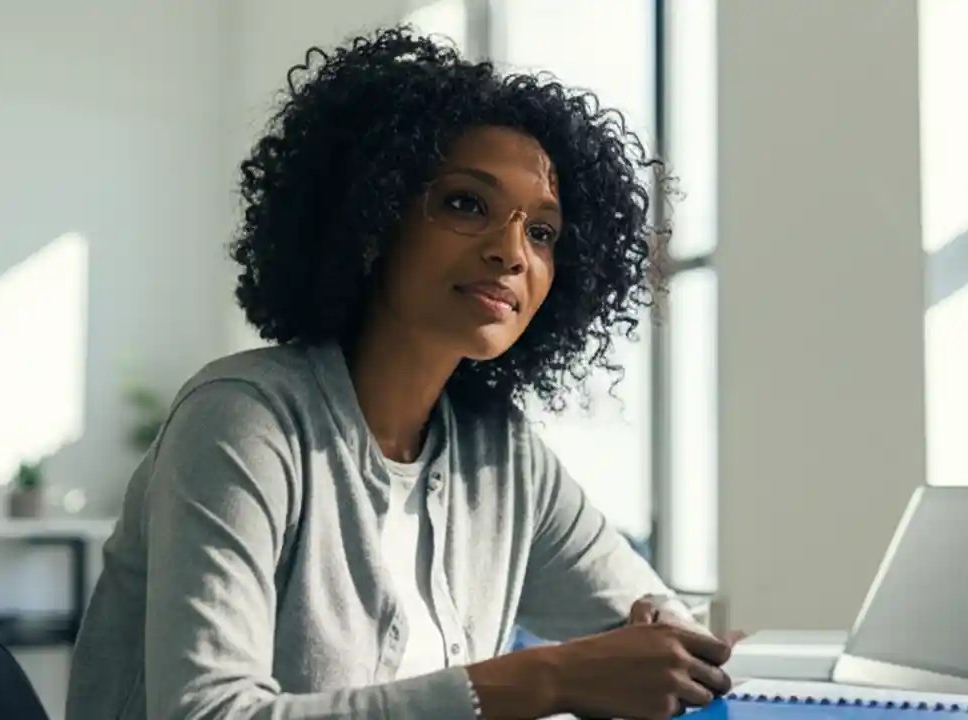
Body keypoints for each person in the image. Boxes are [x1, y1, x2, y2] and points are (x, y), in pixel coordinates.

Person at [67, 26, 738, 720]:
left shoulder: (501, 454)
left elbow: (653, 622)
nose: (511, 252)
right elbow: (205, 713)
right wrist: (541, 682)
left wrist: (675, 640)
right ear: (372, 216)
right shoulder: (243, 420)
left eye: (542, 232)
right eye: (465, 204)